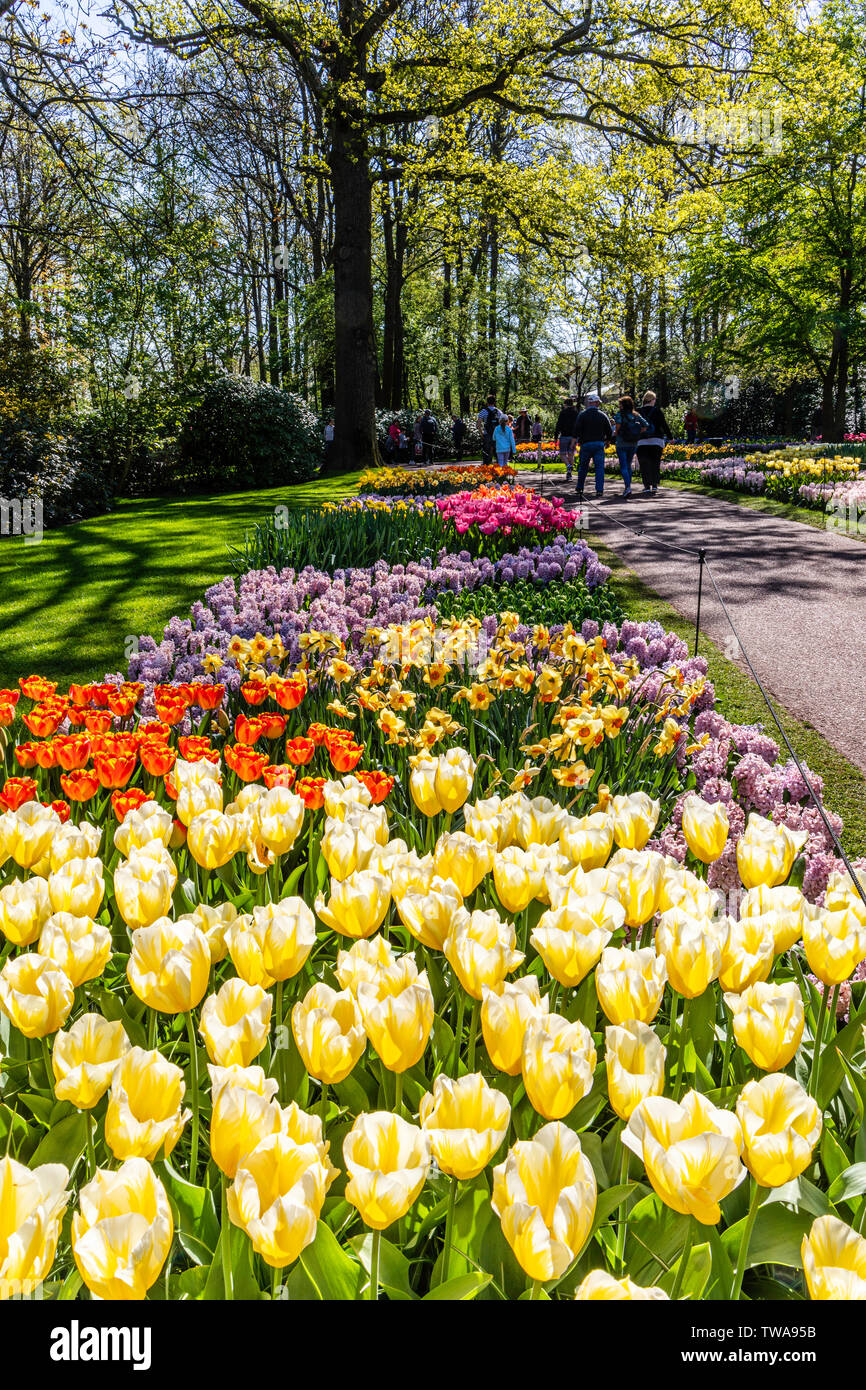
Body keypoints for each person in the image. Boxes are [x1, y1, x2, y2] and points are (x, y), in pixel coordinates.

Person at [574, 391, 613, 498]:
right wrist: (608, 441)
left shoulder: (582, 415)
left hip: (585, 444)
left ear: (589, 403)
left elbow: (576, 430)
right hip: (599, 444)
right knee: (599, 468)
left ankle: (579, 487)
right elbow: (609, 431)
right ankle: (599, 490)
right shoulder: (603, 415)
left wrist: (578, 440)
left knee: (583, 467)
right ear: (596, 403)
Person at [636, 390, 673, 495]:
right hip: (656, 440)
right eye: (655, 399)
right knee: (655, 463)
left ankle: (647, 486)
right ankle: (655, 485)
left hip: (641, 441)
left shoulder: (637, 411)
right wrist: (670, 437)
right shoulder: (657, 411)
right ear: (652, 400)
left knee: (644, 464)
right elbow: (664, 425)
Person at [612, 395, 648, 499]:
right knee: (628, 465)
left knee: (623, 466)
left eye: (620, 404)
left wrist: (615, 433)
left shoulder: (619, 415)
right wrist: (637, 433)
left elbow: (617, 429)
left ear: (623, 405)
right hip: (633, 443)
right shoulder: (636, 415)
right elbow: (646, 425)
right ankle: (627, 487)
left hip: (622, 443)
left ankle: (627, 488)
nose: (619, 406)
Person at [553, 397, 579, 481]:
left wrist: (556, 436)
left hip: (564, 436)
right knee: (571, 454)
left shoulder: (563, 413)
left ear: (566, 404)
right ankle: (569, 474)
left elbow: (558, 425)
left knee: (562, 454)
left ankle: (568, 466)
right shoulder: (576, 413)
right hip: (573, 437)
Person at [477, 395, 501, 467]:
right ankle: (499, 469)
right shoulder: (499, 412)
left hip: (487, 434)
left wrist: (482, 434)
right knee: (497, 452)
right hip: (496, 435)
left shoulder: (483, 411)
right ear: (494, 402)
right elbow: (502, 424)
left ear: (487, 402)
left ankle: (486, 468)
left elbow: (479, 424)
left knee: (486, 452)